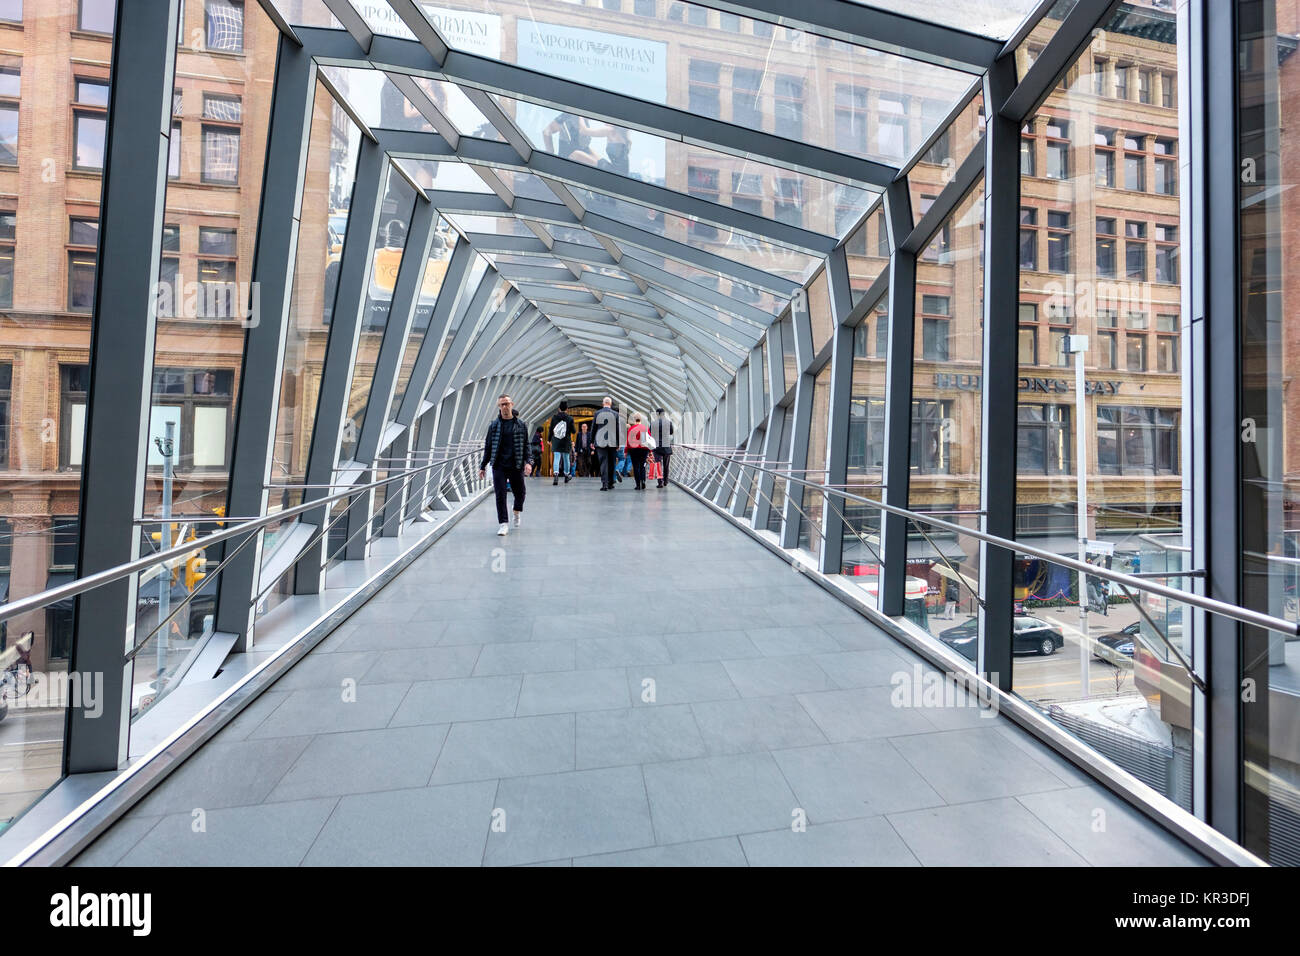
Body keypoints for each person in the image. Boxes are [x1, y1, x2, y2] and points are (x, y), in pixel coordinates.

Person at [479, 394, 532, 535]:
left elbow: (526, 445)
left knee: (520, 493)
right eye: (502, 404)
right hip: (499, 465)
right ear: (499, 407)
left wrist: (529, 462)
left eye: (507, 403)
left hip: (516, 464)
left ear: (512, 404)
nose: (504, 407)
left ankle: (516, 511)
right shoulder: (494, 425)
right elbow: (488, 447)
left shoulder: (521, 425)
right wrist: (482, 466)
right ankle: (503, 523)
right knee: (500, 494)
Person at [591, 396, 622, 491]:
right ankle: (611, 483)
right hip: (612, 442)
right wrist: (618, 442)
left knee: (603, 462)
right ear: (611, 404)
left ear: (603, 403)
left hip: (600, 442)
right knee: (612, 462)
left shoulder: (597, 413)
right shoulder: (616, 414)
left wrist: (592, 441)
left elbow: (594, 428)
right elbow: (618, 429)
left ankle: (604, 484)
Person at [550, 400, 575, 486]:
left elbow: (551, 429)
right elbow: (573, 431)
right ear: (567, 409)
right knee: (566, 458)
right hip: (566, 441)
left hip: (556, 440)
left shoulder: (554, 417)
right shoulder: (570, 418)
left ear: (559, 408)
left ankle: (556, 475)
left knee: (556, 457)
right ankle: (566, 475)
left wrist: (549, 439)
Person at [626, 413, 651, 490]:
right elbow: (648, 440)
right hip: (643, 450)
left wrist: (626, 451)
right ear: (641, 420)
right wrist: (650, 451)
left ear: (634, 420)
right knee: (643, 466)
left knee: (636, 466)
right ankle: (643, 481)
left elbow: (628, 441)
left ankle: (637, 485)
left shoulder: (631, 429)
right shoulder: (645, 428)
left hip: (634, 450)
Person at [651, 408, 674, 488]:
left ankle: (660, 482)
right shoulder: (669, 422)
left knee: (658, 465)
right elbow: (671, 432)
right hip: (666, 446)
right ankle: (666, 481)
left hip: (657, 447)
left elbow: (651, 434)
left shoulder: (653, 423)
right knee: (666, 465)